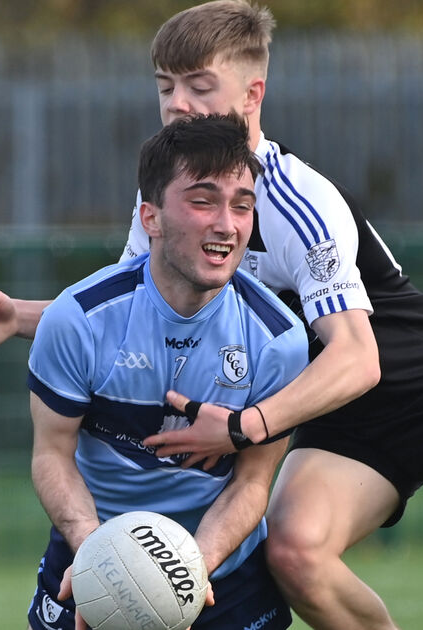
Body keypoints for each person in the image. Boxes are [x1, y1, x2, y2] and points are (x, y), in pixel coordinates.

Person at [0, 2, 423, 628]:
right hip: (330, 411)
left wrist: (244, 426)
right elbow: (129, 306)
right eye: (165, 88)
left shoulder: (299, 199)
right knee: (294, 556)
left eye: (199, 86)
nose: (177, 104)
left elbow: (360, 356)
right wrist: (18, 316)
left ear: (252, 94)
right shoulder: (173, 195)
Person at [22, 112, 305, 630]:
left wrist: (187, 572)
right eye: (203, 201)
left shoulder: (279, 340)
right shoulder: (77, 319)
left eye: (242, 206)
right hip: (87, 552)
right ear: (150, 217)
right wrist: (97, 556)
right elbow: (52, 454)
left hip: (222, 573)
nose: (227, 224)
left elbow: (251, 482)